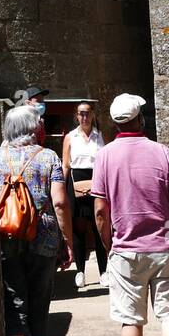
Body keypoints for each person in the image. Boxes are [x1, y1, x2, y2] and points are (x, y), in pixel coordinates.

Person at [91, 93, 169, 336]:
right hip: (165, 245)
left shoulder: (104, 156)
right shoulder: (162, 152)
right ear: (140, 119)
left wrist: (109, 245)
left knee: (130, 319)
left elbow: (100, 211)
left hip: (126, 249)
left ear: (115, 124)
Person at [0, 103, 74, 336]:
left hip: (7, 236)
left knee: (14, 305)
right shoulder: (48, 157)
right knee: (39, 303)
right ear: (32, 128)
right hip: (44, 239)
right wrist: (67, 241)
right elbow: (60, 202)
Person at [62, 101, 107, 289]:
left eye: (87, 113)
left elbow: (105, 161)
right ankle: (80, 271)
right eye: (81, 113)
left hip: (97, 180)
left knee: (99, 227)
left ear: (93, 114)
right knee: (79, 229)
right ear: (76, 116)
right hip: (76, 182)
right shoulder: (70, 137)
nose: (84, 117)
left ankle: (104, 272)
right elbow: (66, 165)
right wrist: (62, 189)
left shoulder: (100, 135)